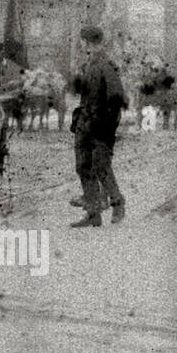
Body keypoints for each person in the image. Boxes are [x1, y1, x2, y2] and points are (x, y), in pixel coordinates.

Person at [69, 25, 128, 228]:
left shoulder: (105, 65)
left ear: (87, 42)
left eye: (82, 42)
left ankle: (118, 201)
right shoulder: (91, 64)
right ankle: (93, 214)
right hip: (85, 124)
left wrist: (107, 127)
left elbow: (116, 97)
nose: (82, 45)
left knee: (101, 166)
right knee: (83, 166)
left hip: (100, 126)